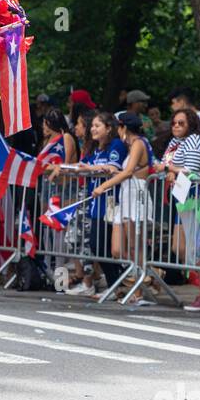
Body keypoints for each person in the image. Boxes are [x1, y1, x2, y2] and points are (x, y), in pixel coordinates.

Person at [154, 107, 200, 311]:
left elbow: (190, 171)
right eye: (174, 122)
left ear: (191, 124)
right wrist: (169, 171)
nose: (176, 126)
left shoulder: (194, 140)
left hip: (198, 195)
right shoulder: (175, 142)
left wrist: (168, 170)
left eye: (181, 123)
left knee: (197, 247)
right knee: (180, 247)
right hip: (183, 195)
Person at [60, 111, 126, 296]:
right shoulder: (97, 149)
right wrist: (65, 168)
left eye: (97, 126)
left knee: (105, 246)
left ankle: (117, 285)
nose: (93, 129)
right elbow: (83, 166)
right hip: (96, 204)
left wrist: (90, 168)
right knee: (97, 246)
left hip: (112, 202)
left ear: (109, 128)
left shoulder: (116, 145)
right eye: (92, 126)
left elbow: (114, 168)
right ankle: (114, 286)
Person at [94, 112, 155, 305]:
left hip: (136, 197)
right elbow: (129, 171)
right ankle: (146, 277)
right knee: (117, 249)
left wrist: (105, 185)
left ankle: (138, 291)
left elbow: (130, 172)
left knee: (133, 247)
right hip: (125, 197)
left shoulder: (138, 143)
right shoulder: (131, 146)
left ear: (124, 128)